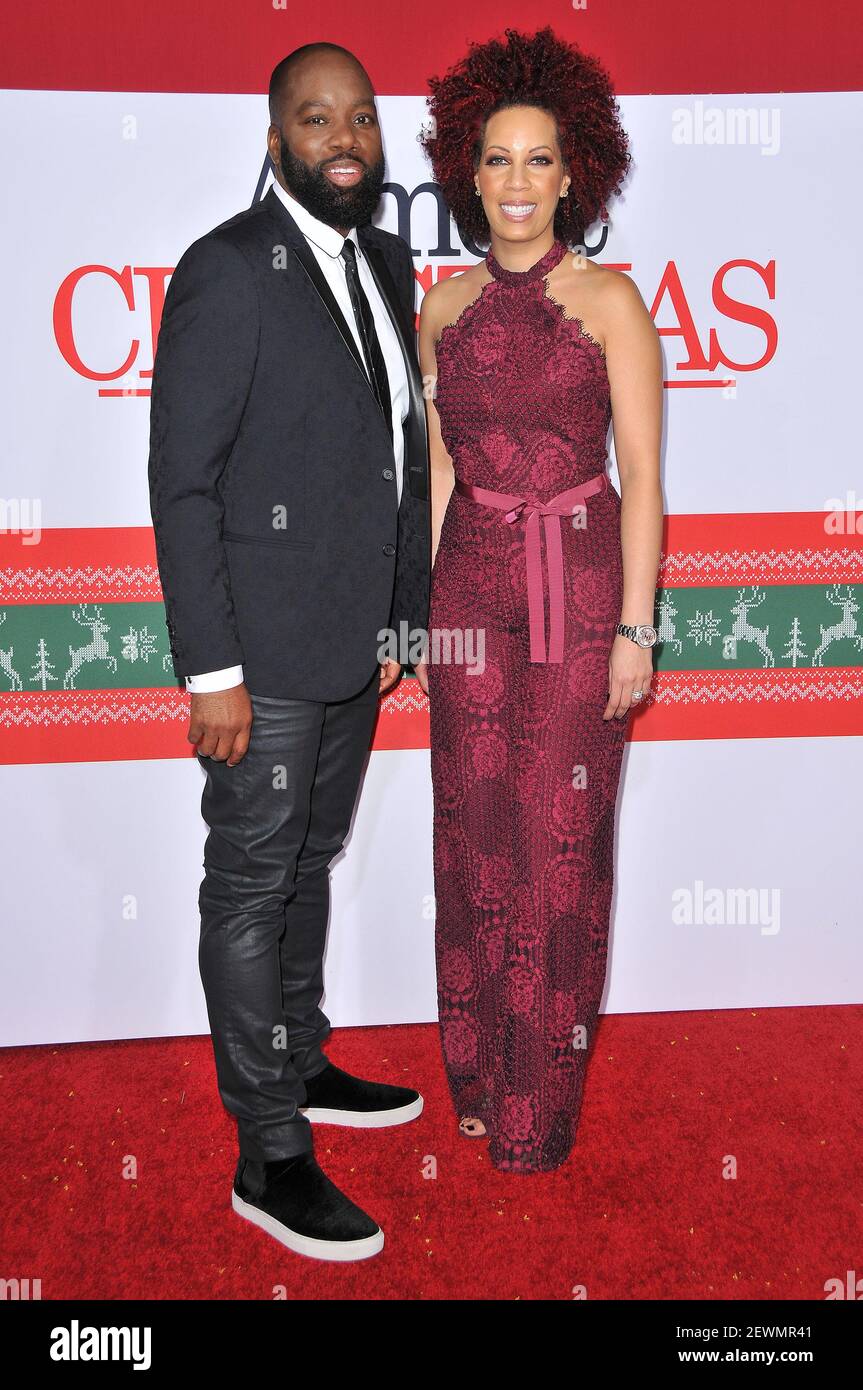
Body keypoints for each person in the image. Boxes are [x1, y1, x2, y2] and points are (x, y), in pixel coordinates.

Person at [148, 42, 430, 1259]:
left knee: (309, 860)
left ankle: (301, 1060)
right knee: (253, 886)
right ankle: (268, 1149)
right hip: (257, 661)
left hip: (352, 643)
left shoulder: (384, 257)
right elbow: (183, 483)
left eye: (360, 116)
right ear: (276, 143)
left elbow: (399, 453)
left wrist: (403, 613)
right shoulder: (227, 271)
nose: (345, 137)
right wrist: (210, 670)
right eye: (317, 120)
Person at [415, 26, 663, 1172]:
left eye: (537, 160)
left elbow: (645, 483)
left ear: (575, 174)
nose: (517, 182)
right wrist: (419, 617)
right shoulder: (441, 307)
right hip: (466, 584)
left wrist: (634, 630)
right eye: (497, 160)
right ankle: (474, 1071)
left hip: (579, 581)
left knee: (559, 839)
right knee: (471, 832)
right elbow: (440, 474)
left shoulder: (612, 302)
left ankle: (537, 1104)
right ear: (469, 171)